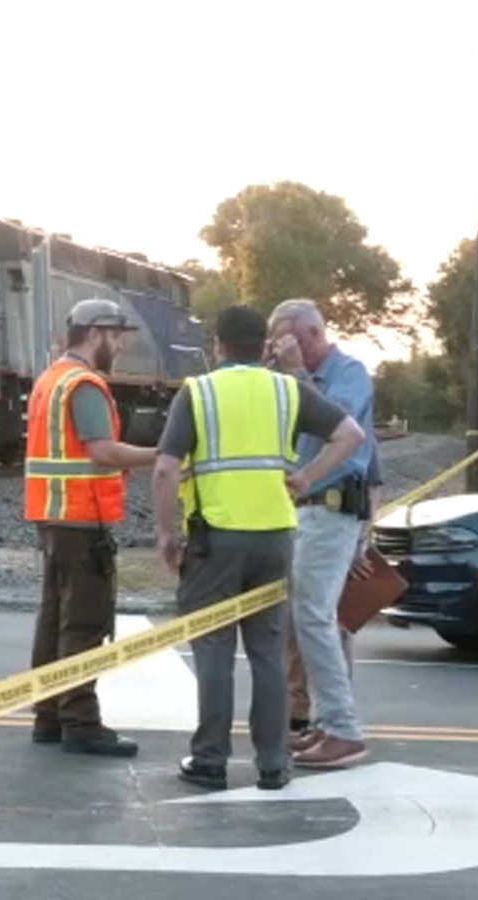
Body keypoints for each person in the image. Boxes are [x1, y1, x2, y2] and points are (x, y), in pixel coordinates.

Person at [151, 305, 365, 791]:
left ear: (218, 346)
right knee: (267, 651)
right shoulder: (289, 390)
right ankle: (273, 763)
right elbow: (350, 435)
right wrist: (308, 476)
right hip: (274, 539)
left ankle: (210, 760)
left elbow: (165, 469)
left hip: (216, 539)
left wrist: (166, 535)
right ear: (262, 346)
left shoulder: (199, 392)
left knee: (214, 648)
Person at [24, 298, 159, 756]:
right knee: (84, 622)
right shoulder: (83, 384)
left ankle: (49, 715)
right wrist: (162, 456)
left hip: (54, 517)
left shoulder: (50, 379)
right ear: (97, 333)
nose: (120, 346)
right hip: (82, 519)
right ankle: (81, 721)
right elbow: (102, 451)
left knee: (53, 620)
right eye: (116, 336)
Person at [265, 298, 377, 768]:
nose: (282, 350)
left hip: (331, 506)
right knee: (306, 621)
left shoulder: (349, 373)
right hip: (304, 510)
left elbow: (340, 428)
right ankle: (327, 722)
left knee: (314, 617)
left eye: (288, 341)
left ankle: (344, 731)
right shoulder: (291, 375)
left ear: (312, 334)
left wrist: (296, 373)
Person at [285, 444, 383, 735]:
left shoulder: (352, 430)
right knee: (294, 625)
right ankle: (297, 709)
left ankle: (334, 717)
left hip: (332, 523)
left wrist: (359, 541)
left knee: (330, 627)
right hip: (294, 524)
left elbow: (372, 488)